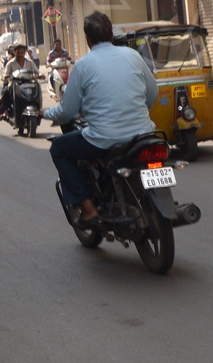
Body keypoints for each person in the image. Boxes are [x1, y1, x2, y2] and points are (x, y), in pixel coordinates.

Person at [43, 12, 159, 224]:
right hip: (144, 134)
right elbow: (152, 93)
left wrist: (46, 113)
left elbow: (68, 111)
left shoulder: (83, 65)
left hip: (104, 139)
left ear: (87, 38)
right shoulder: (133, 56)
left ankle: (88, 210)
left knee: (58, 149)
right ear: (111, 34)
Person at [0, 40, 39, 119]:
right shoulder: (10, 63)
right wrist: (6, 76)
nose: (20, 55)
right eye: (18, 53)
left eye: (22, 53)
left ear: (24, 53)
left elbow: (37, 71)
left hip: (28, 84)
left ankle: (38, 110)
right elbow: (4, 75)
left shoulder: (30, 62)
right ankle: (4, 111)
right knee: (6, 93)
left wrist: (39, 75)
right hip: (15, 85)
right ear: (14, 53)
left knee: (37, 90)